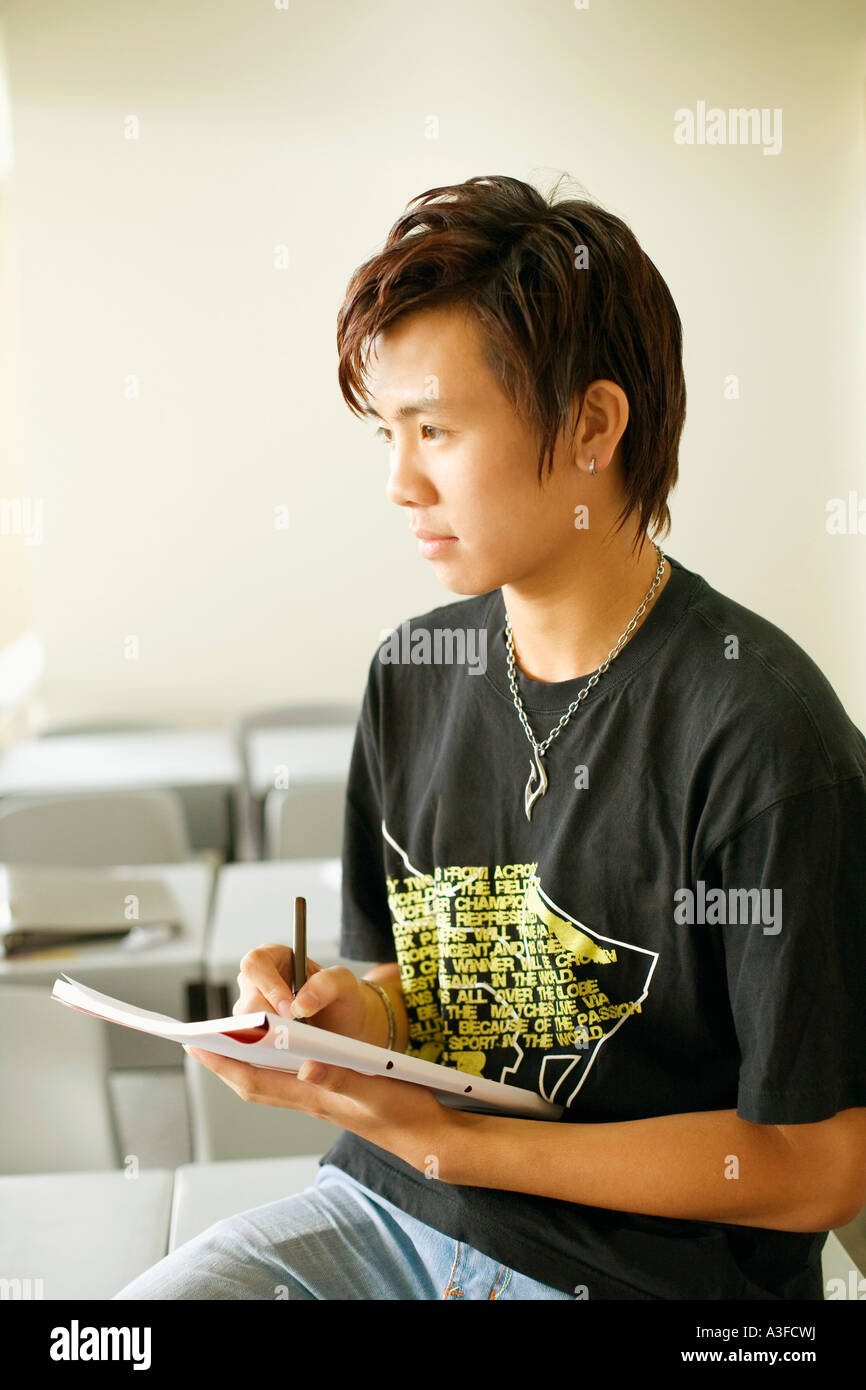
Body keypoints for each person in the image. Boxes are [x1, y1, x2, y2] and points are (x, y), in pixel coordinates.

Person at [115, 174, 866, 1301]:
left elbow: (814, 1168)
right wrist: (334, 1013)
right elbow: (401, 980)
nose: (397, 481)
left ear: (591, 427)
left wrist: (451, 1145)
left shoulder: (764, 737)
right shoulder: (411, 673)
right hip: (383, 1213)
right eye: (385, 431)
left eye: (434, 430)